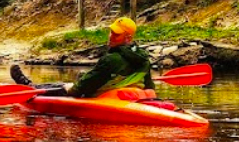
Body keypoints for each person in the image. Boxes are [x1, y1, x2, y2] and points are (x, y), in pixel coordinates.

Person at [10, 17, 154, 98]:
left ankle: (29, 88)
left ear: (128, 38)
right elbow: (150, 88)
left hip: (103, 97)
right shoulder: (144, 59)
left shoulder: (112, 59)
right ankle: (30, 85)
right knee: (68, 82)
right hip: (121, 94)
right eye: (111, 32)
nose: (110, 36)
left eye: (116, 34)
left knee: (64, 87)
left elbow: (84, 88)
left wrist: (72, 89)